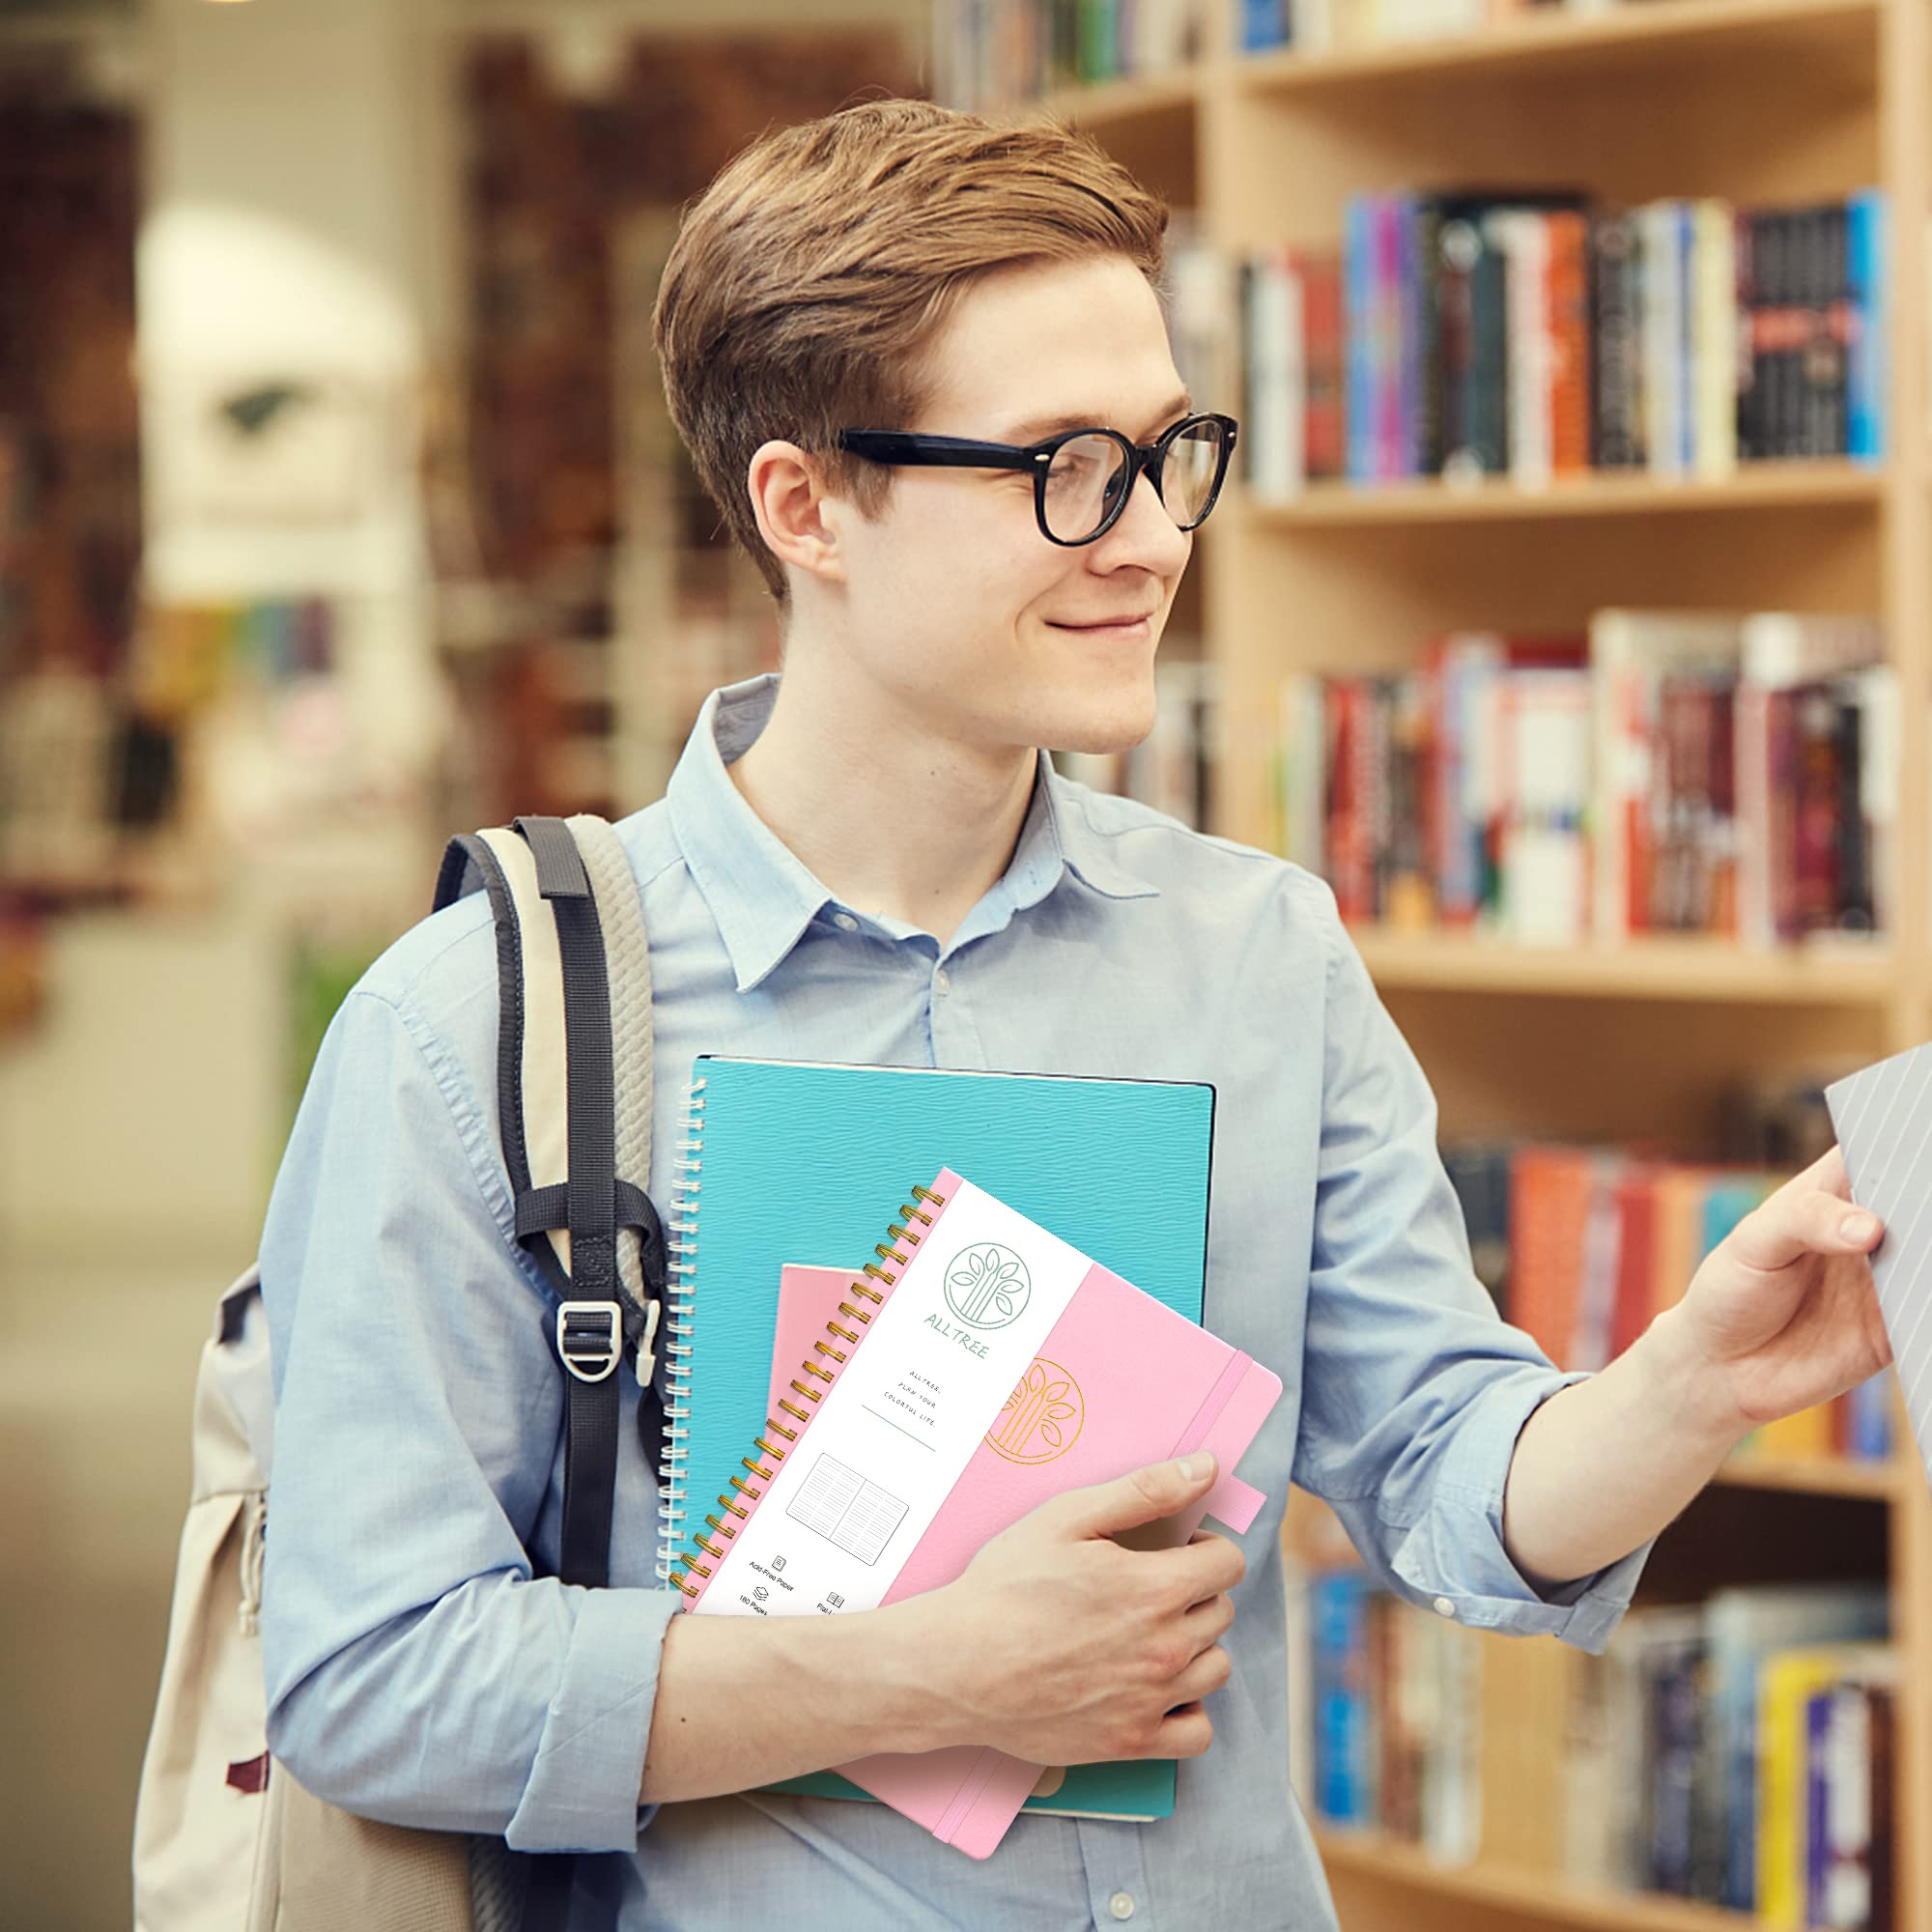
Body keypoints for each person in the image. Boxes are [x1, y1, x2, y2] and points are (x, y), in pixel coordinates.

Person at [256, 96, 1892, 1931]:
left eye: (1168, 449)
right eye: (1059, 465)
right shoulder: (478, 1022)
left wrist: (1690, 1385)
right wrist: (931, 1674)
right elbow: (368, 1679)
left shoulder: (1259, 953)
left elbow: (1442, 1479)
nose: (1144, 539)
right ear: (808, 508)